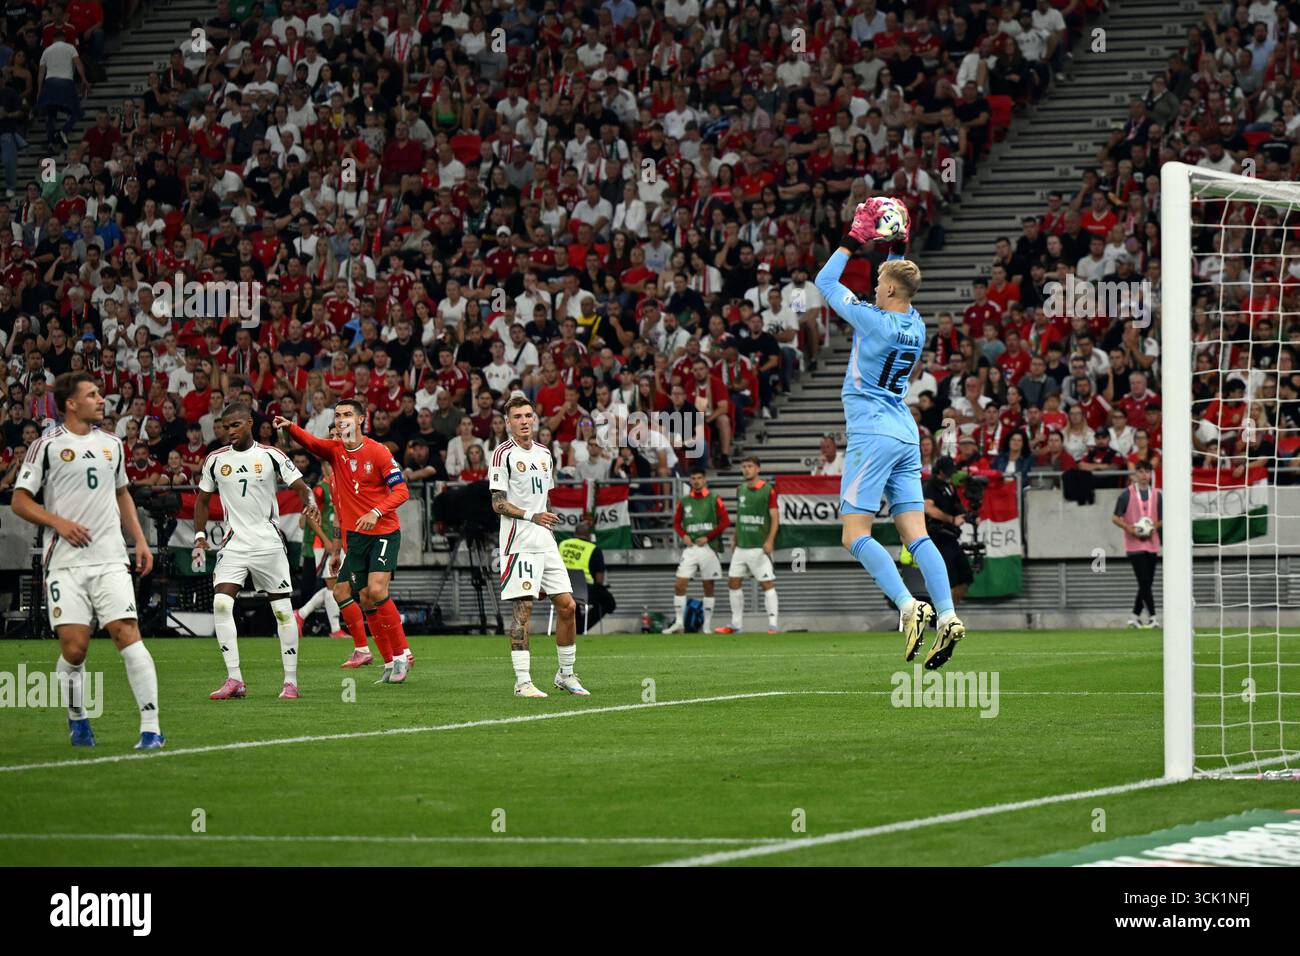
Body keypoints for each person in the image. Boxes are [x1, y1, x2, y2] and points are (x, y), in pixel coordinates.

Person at [814, 198, 966, 668]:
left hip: (872, 432)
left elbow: (824, 282)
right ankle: (948, 615)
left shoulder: (873, 320)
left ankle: (907, 606)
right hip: (905, 432)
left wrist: (854, 238)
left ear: (893, 292)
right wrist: (894, 240)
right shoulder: (916, 324)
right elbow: (898, 274)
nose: (874, 286)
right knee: (917, 537)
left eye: (880, 283)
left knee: (853, 533)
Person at [10, 371, 163, 750]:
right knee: (75, 648)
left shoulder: (113, 444)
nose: (101, 400)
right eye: (92, 395)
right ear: (71, 403)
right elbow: (20, 500)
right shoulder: (45, 446)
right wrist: (57, 522)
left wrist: (139, 541)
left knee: (127, 634)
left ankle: (151, 729)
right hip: (65, 562)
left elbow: (123, 494)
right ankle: (77, 717)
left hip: (110, 558)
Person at [193, 403, 326, 700]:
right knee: (221, 604)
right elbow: (202, 501)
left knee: (281, 610)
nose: (230, 432)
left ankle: (290, 681)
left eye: (236, 425)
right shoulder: (215, 460)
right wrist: (200, 535)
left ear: (250, 423)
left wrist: (310, 503)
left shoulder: (271, 454)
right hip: (234, 543)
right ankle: (234, 679)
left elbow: (301, 486)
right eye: (226, 427)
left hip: (268, 543)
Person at [276, 399, 413, 683]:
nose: (342, 420)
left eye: (348, 415)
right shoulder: (336, 451)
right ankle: (387, 661)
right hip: (356, 539)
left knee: (376, 590)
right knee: (359, 596)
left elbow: (401, 491)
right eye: (338, 415)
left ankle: (402, 655)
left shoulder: (379, 452)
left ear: (362, 419)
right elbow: (311, 442)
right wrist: (290, 427)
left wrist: (375, 513)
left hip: (384, 531)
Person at [489, 395, 589, 697]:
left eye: (528, 416)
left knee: (568, 606)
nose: (523, 421)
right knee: (524, 608)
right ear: (508, 422)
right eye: (517, 416)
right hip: (518, 541)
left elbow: (545, 497)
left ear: (534, 419)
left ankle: (566, 675)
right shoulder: (501, 454)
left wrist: (545, 521)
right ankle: (522, 682)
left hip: (544, 540)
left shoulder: (545, 454)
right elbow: (497, 503)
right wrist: (531, 515)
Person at [715, 455, 781, 634]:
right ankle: (736, 625)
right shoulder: (741, 489)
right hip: (741, 546)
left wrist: (769, 540)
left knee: (766, 583)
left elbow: (775, 518)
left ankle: (773, 624)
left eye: (750, 466)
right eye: (743, 466)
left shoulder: (768, 490)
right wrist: (735, 538)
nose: (746, 469)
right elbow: (740, 515)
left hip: (759, 546)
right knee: (733, 582)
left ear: (758, 469)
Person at [662, 467, 730, 633]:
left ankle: (706, 625)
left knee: (708, 586)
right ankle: (679, 623)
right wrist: (683, 535)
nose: (697, 481)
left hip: (709, 547)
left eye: (699, 478)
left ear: (705, 480)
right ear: (690, 481)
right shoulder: (684, 501)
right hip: (691, 548)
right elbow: (677, 523)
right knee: (679, 584)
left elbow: (725, 522)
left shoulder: (714, 499)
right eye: (693, 478)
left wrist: (708, 536)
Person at [293, 454, 349, 646]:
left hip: (338, 542)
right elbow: (309, 516)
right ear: (323, 467)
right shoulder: (320, 489)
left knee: (335, 586)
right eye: (327, 464)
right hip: (324, 544)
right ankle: (335, 629)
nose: (330, 468)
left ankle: (300, 614)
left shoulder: (340, 486)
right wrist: (326, 540)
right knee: (333, 586)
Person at [1111, 458, 1162, 629]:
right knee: (1145, 580)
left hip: (1152, 543)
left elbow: (1163, 519)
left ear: (1151, 474)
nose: (1144, 475)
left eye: (1147, 472)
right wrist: (1129, 528)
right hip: (1134, 545)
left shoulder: (1157, 494)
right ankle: (1153, 616)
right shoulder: (1127, 494)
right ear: (1135, 474)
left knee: (1146, 582)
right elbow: (1115, 517)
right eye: (1140, 472)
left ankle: (1134, 616)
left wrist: (1152, 527)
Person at [918, 456, 975, 606]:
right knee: (948, 581)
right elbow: (928, 508)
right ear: (940, 471)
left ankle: (948, 613)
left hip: (951, 538)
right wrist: (951, 519)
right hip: (937, 538)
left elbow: (956, 506)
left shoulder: (948, 487)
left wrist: (966, 515)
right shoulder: (930, 486)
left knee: (965, 578)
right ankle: (943, 615)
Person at [558, 520, 617, 633]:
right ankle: (581, 628)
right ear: (589, 535)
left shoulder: (562, 544)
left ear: (575, 534)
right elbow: (600, 579)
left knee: (574, 602)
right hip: (584, 591)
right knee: (609, 603)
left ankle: (576, 627)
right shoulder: (593, 549)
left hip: (562, 589)